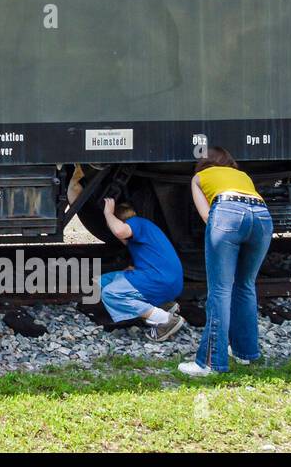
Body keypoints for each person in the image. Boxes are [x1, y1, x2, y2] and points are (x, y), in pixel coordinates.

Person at [179, 146, 273, 377]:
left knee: (220, 290)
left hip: (227, 212)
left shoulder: (199, 177)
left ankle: (210, 363)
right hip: (262, 218)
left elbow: (206, 214)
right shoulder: (243, 176)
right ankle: (245, 352)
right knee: (246, 285)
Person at [97, 198, 186, 342]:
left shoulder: (136, 222)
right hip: (162, 278)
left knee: (111, 293)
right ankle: (164, 306)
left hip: (160, 280)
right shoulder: (140, 231)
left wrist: (108, 213)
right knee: (103, 281)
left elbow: (119, 231)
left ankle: (165, 319)